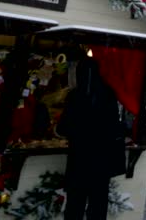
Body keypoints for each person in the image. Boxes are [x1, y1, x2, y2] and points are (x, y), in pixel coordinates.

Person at [58, 58, 126, 220]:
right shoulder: (108, 94)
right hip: (101, 161)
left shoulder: (75, 96)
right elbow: (114, 126)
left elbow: (63, 128)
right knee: (98, 205)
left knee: (75, 205)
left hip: (79, 159)